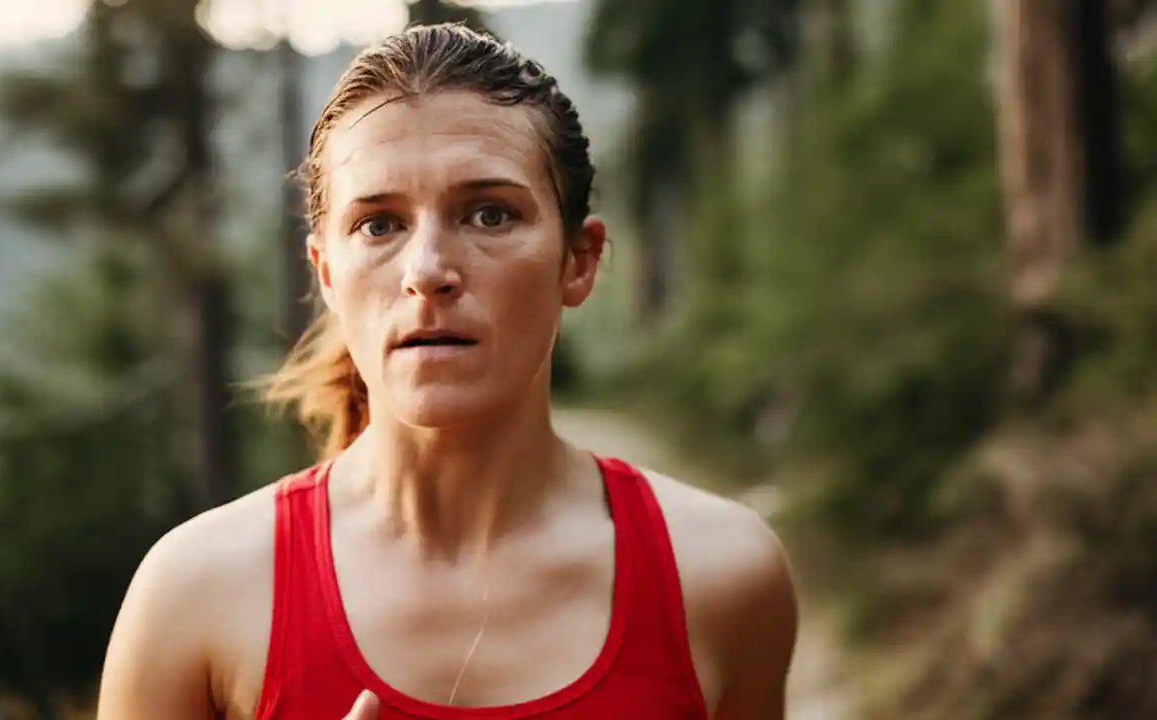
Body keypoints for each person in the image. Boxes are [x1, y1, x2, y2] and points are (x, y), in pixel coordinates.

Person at [97, 23, 797, 720]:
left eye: (489, 215)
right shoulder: (195, 596)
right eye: (379, 224)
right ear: (327, 274)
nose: (428, 270)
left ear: (578, 261)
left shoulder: (722, 576)